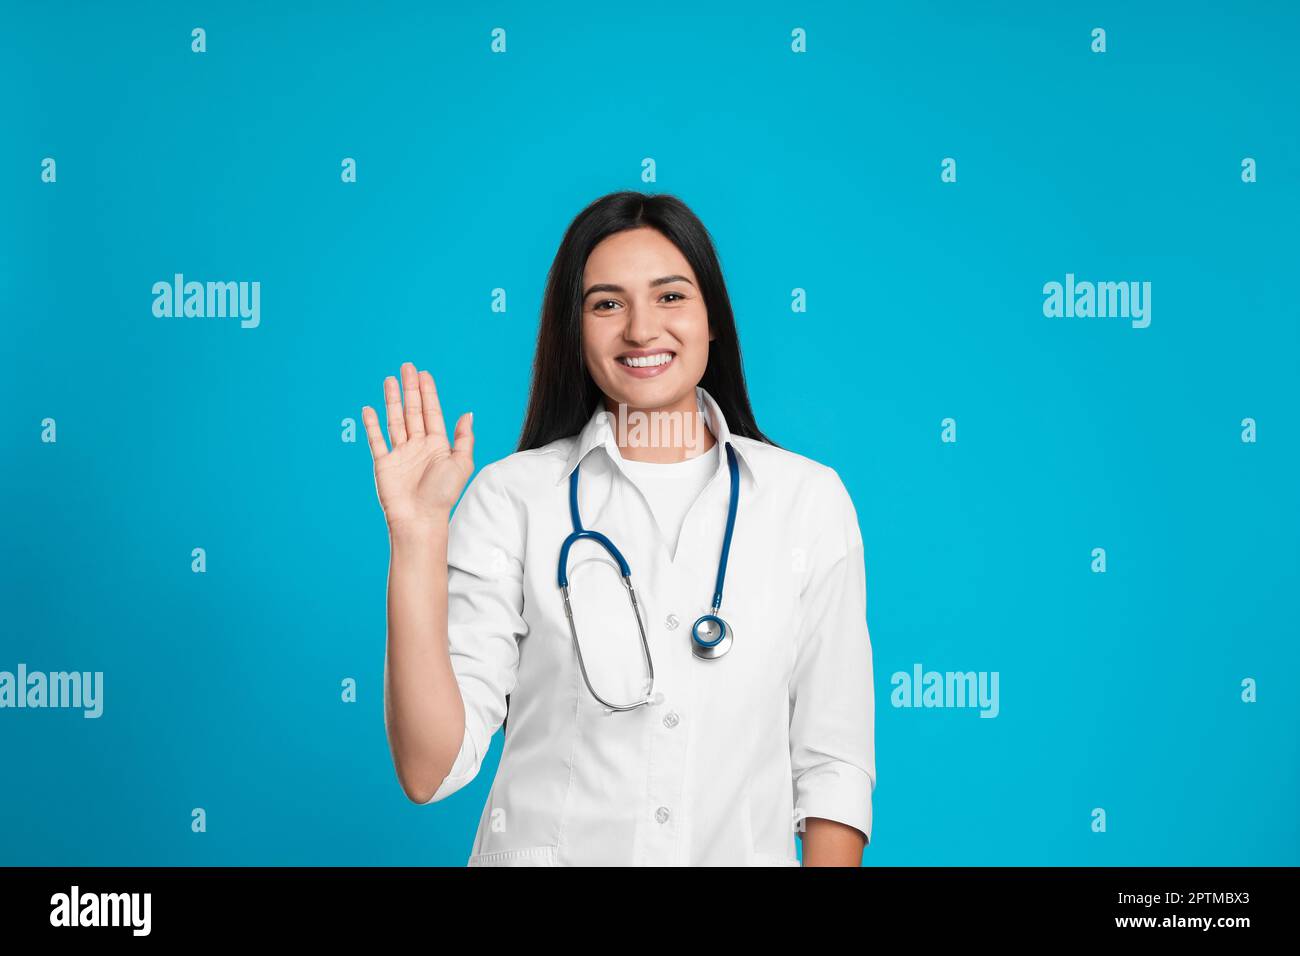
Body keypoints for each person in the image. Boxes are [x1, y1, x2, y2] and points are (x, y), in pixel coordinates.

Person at [362, 191, 875, 866]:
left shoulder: (806, 501)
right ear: (574, 330)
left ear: (713, 317)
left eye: (670, 297)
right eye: (607, 303)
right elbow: (430, 769)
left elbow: (832, 765)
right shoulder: (513, 499)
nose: (640, 329)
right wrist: (419, 533)